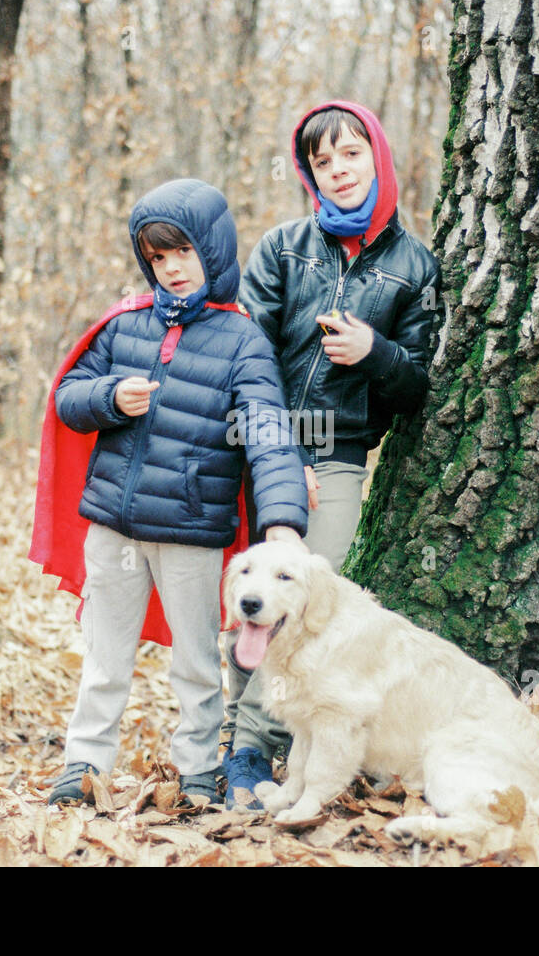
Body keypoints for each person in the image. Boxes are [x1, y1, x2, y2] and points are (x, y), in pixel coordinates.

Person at [30, 178, 307, 806]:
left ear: (212, 250)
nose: (172, 268)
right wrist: (109, 397)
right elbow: (68, 397)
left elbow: (267, 430)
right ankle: (84, 763)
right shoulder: (125, 324)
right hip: (115, 527)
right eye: (157, 256)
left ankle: (197, 769)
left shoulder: (242, 340)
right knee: (104, 657)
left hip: (191, 532)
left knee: (196, 664)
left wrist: (283, 521)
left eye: (183, 251)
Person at [223, 101, 442, 808]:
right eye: (323, 162)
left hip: (341, 452)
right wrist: (283, 457)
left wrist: (374, 352)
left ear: (377, 156)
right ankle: (239, 748)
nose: (339, 170)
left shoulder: (414, 265)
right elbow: (245, 352)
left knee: (303, 602)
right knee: (248, 598)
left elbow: (417, 386)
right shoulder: (283, 247)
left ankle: (268, 745)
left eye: (351, 153)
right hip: (259, 445)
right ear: (309, 174)